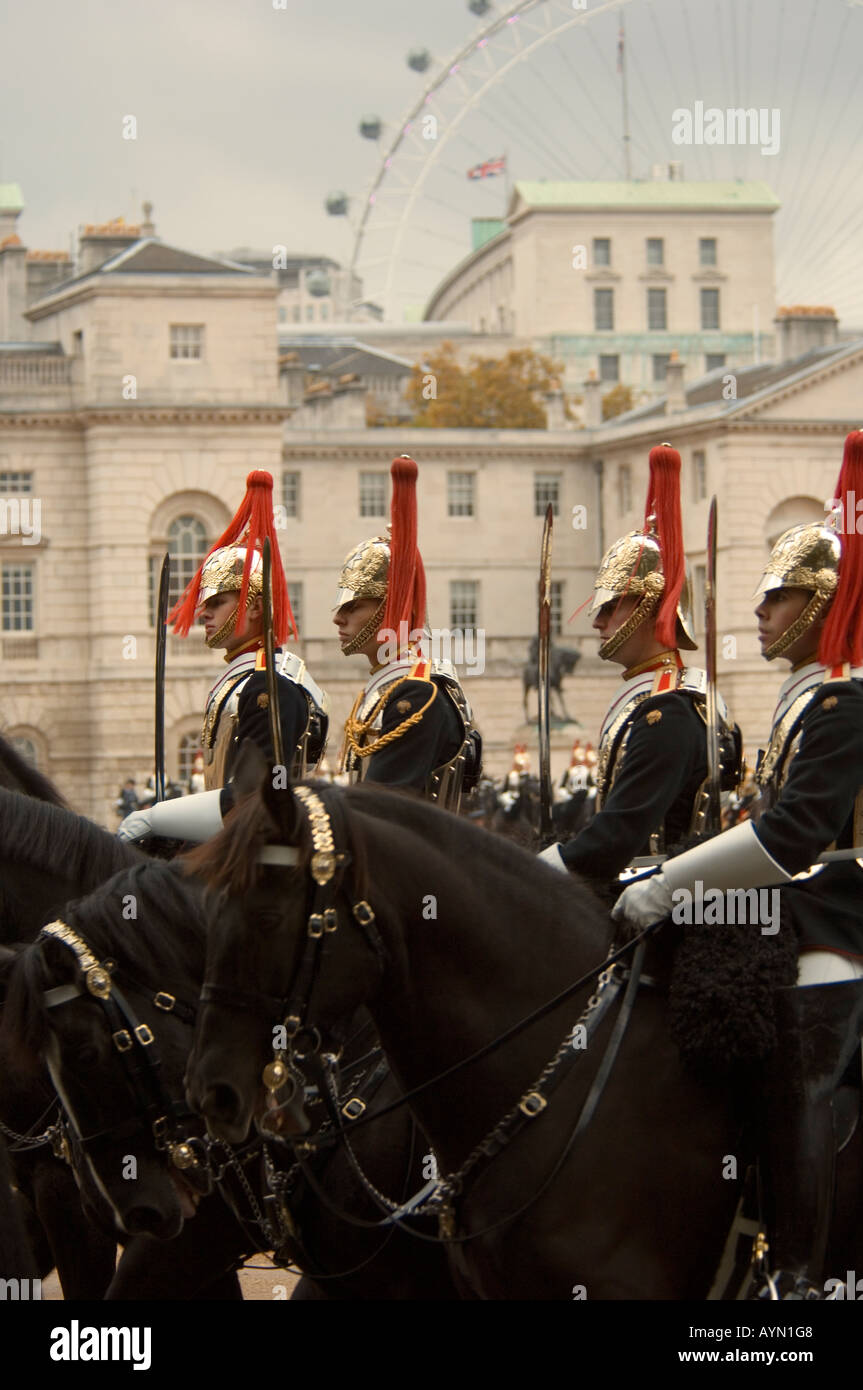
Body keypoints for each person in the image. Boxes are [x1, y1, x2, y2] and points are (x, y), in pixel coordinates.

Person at [614, 429, 863, 1300]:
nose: (757, 614)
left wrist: (667, 884)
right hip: (789, 907)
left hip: (838, 915)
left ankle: (797, 1270)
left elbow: (795, 838)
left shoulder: (842, 701)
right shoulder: (806, 700)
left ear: (821, 604)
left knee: (797, 1058)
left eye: (776, 599)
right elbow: (761, 821)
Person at [540, 444, 739, 884]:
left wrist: (540, 872)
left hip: (658, 891)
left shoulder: (667, 710)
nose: (597, 621)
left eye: (612, 607)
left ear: (651, 608)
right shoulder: (657, 697)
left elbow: (622, 831)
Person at [118, 471, 328, 843]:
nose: (203, 614)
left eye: (216, 603)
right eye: (203, 604)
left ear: (255, 606)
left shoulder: (272, 684)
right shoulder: (246, 678)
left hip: (261, 860)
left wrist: (158, 817)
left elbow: (254, 798)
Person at [333, 454, 481, 809]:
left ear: (392, 608)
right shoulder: (389, 687)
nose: (339, 619)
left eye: (354, 606)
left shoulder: (417, 696)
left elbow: (379, 811)